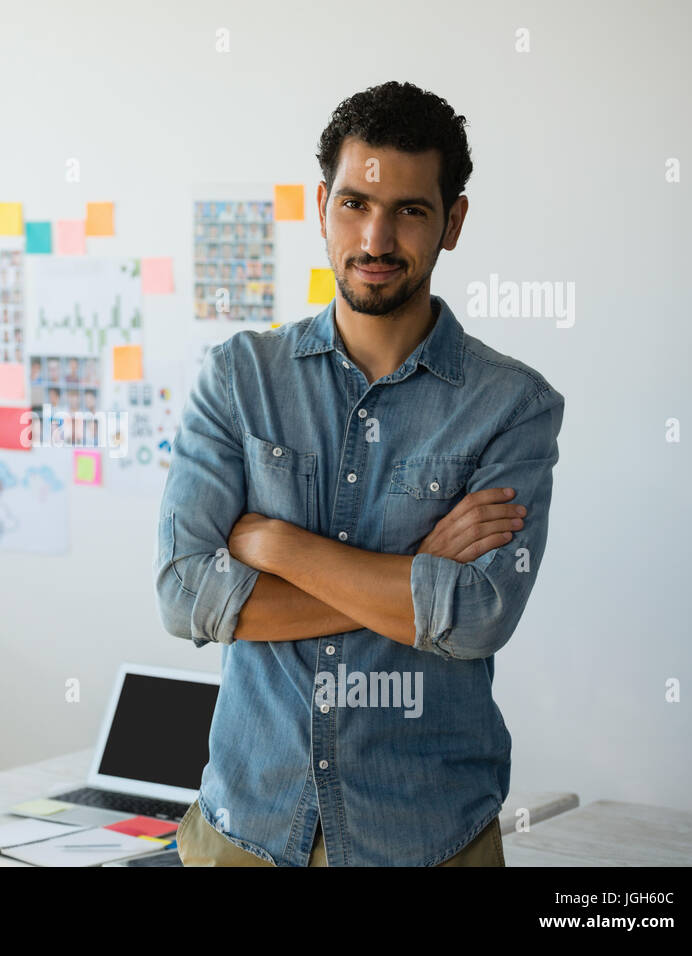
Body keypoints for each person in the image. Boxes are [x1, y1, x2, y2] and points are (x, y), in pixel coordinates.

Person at [157, 81, 564, 867]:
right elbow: (183, 595)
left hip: (429, 841)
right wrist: (416, 584)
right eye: (354, 204)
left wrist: (274, 544)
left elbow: (478, 617)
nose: (375, 238)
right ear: (320, 206)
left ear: (453, 222)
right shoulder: (239, 380)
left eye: (409, 210)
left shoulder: (513, 405)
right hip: (243, 832)